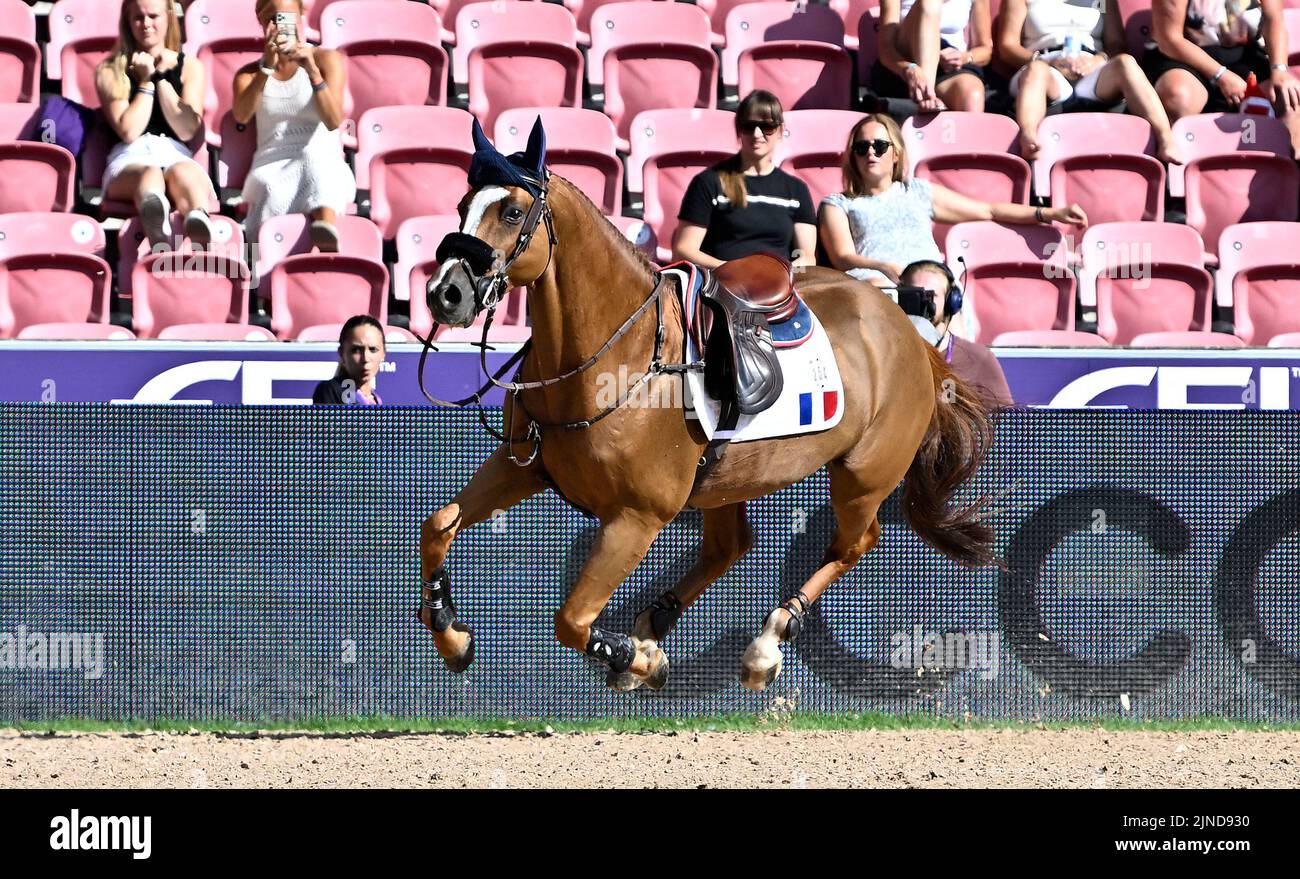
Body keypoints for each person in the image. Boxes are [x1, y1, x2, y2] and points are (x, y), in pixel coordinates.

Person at [819, 114, 1088, 287]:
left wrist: (1048, 212)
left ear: (896, 153)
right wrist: (884, 267)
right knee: (877, 288)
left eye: (879, 146)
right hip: (875, 282)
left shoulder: (917, 192)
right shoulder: (839, 203)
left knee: (941, 291)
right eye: (861, 147)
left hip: (929, 280)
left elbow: (989, 210)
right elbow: (843, 258)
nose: (870, 153)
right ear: (852, 156)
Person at [233, 0, 355, 252]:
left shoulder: (326, 60)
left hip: (321, 157)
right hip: (271, 163)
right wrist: (267, 66)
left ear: (301, 15)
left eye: (286, 18)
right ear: (261, 22)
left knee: (315, 163)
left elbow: (333, 120)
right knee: (269, 187)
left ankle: (325, 226)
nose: (280, 26)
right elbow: (242, 116)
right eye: (272, 20)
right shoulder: (248, 74)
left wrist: (312, 72)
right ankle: (268, 262)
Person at [95, 0, 216, 249]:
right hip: (129, 158)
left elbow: (187, 128)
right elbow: (129, 130)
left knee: (185, 171)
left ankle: (198, 222)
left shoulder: (191, 67)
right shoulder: (110, 69)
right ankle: (157, 225)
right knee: (149, 174)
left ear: (169, 17)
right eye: (138, 18)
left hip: (175, 152)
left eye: (153, 16)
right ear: (128, 22)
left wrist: (162, 76)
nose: (146, 24)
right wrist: (146, 80)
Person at [998, 0, 1183, 162]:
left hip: (1091, 66)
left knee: (1126, 63)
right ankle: (1028, 137)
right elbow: (1007, 46)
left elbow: (1116, 44)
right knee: (1035, 71)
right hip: (1043, 65)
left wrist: (1097, 61)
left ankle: (1165, 138)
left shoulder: (1100, 0)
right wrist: (1046, 61)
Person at [672, 91, 817, 269]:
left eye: (767, 126)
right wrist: (730, 270)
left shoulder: (796, 190)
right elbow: (684, 249)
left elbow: (807, 256)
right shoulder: (709, 182)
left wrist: (786, 273)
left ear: (780, 131)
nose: (757, 134)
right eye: (749, 126)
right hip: (724, 285)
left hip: (780, 286)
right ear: (739, 130)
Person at [1145, 0, 1300, 151]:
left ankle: (1289, 167)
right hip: (1183, 56)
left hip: (1245, 55)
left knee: (1289, 97)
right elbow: (1169, 39)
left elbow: (1274, 18)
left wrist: (1279, 70)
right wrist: (1221, 75)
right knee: (1178, 97)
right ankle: (1186, 166)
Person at [900, 260, 1014, 409]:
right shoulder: (886, 356)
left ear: (951, 302)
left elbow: (1005, 423)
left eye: (930, 296)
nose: (922, 303)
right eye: (914, 295)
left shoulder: (978, 357)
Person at [874, 0, 993, 112]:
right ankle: (927, 94)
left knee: (972, 95)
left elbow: (985, 49)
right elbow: (886, 49)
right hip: (905, 62)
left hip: (948, 67)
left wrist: (963, 57)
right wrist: (908, 68)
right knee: (930, 2)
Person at [312, 315, 386, 406]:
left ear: (383, 353)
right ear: (341, 353)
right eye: (356, 350)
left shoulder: (375, 399)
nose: (366, 358)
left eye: (373, 349)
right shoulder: (331, 390)